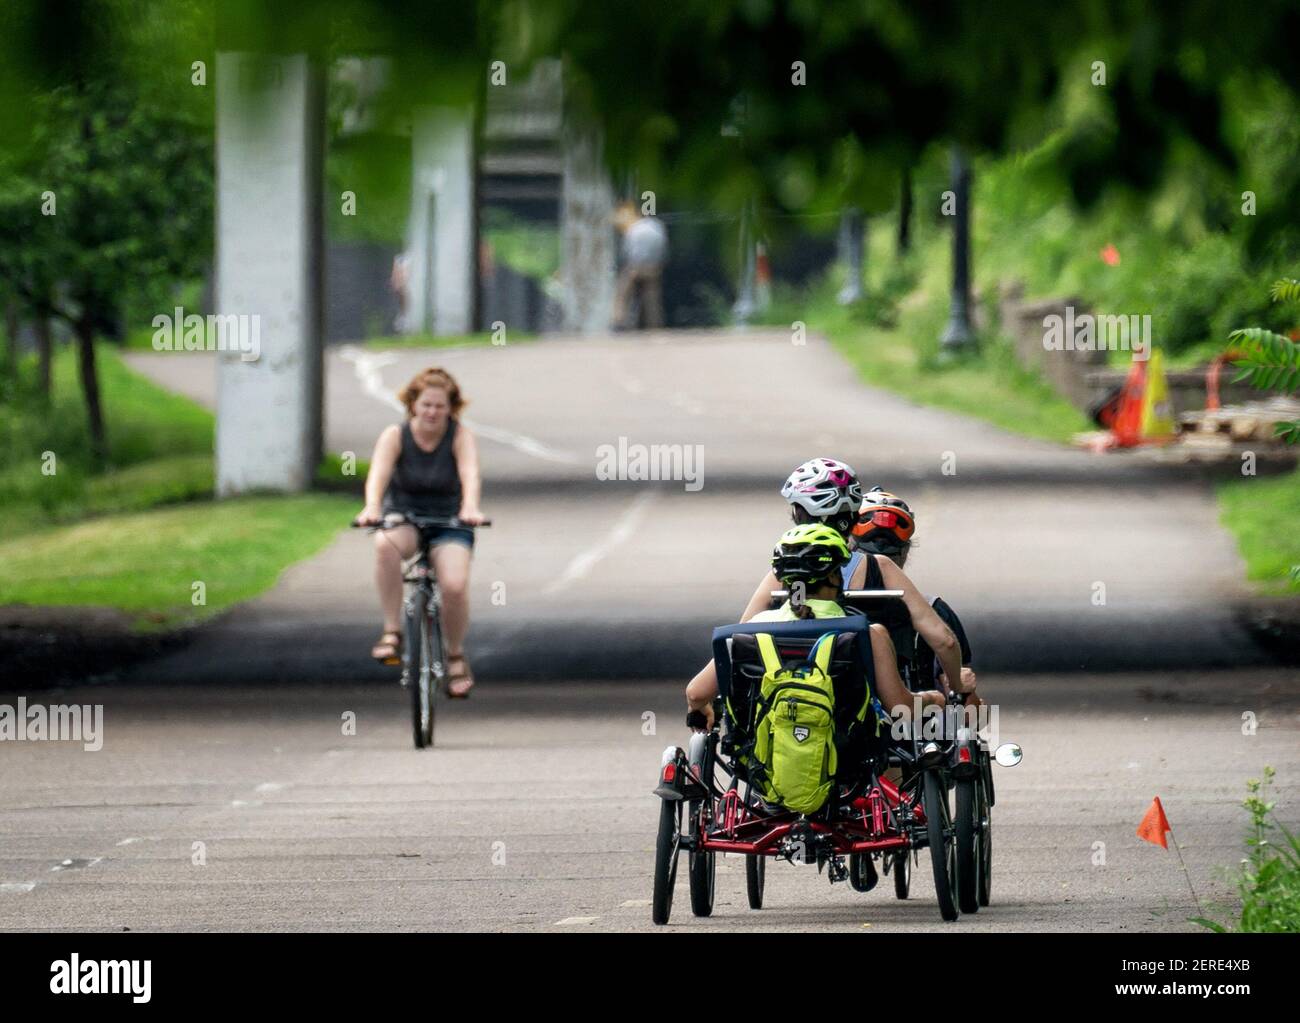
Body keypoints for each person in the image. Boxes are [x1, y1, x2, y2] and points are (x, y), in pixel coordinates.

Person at [685, 458, 967, 728]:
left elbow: (737, 644)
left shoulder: (774, 584)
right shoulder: (878, 577)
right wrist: (954, 691)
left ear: (798, 513)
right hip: (859, 720)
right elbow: (944, 641)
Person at [354, 366, 485, 697]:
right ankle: (391, 631)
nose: (432, 412)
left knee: (454, 585)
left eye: (440, 406)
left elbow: (470, 474)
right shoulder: (395, 436)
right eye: (426, 404)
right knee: (385, 546)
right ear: (413, 404)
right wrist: (372, 508)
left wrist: (470, 507)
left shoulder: (459, 436)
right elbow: (378, 476)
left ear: (451, 408)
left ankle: (455, 656)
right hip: (406, 516)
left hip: (449, 521)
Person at [851, 486, 979, 705]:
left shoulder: (817, 606)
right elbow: (968, 715)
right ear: (905, 552)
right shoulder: (933, 610)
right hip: (910, 725)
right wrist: (962, 687)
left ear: (849, 547)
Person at [612, 201, 668, 330]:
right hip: (654, 267)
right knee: (652, 298)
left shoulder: (634, 230)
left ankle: (618, 322)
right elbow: (663, 249)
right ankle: (655, 326)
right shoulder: (657, 226)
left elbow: (629, 253)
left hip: (636, 267)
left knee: (622, 293)